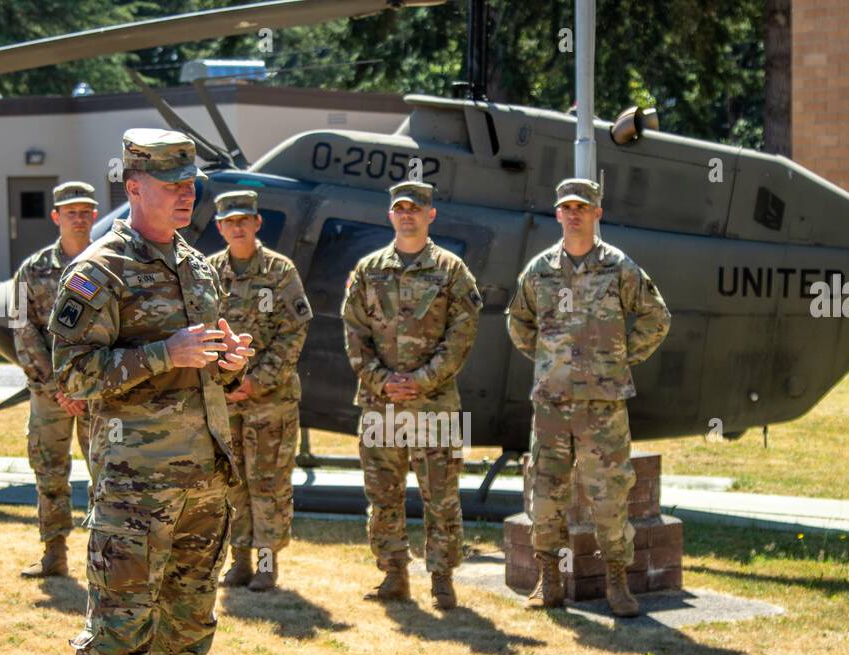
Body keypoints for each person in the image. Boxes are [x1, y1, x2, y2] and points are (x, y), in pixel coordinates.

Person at [48, 128, 255, 655]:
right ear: (133, 188)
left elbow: (203, 365)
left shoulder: (198, 266)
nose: (185, 195)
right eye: (171, 186)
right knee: (118, 622)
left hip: (205, 476)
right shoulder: (99, 272)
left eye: (190, 185)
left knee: (190, 618)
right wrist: (166, 351)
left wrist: (227, 361)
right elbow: (75, 374)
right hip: (137, 482)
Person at [507, 177, 671, 617]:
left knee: (610, 496)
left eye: (583, 207)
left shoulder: (619, 268)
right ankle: (549, 579)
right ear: (557, 214)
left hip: (603, 405)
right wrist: (548, 360)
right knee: (545, 493)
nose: (574, 213)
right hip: (552, 403)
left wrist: (617, 360)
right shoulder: (539, 270)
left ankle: (617, 581)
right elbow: (518, 323)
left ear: (598, 213)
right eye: (567, 207)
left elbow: (657, 318)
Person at [341, 181, 481, 610]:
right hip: (378, 403)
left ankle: (442, 578)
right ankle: (394, 574)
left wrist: (421, 380)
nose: (407, 215)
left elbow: (462, 336)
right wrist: (381, 380)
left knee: (441, 496)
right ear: (390, 215)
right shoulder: (367, 270)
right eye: (400, 209)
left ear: (430, 215)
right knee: (382, 494)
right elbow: (354, 332)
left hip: (437, 404)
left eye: (415, 209)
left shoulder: (452, 270)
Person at [209, 190, 312, 592]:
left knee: (268, 484)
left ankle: (267, 565)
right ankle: (240, 562)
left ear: (257, 223)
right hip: (226, 401)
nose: (237, 227)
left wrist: (257, 380)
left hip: (272, 402)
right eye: (229, 221)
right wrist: (226, 382)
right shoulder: (211, 273)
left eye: (243, 220)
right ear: (220, 228)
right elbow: (201, 333)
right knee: (233, 483)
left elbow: (294, 330)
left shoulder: (279, 271)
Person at [12, 181, 98, 577]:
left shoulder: (110, 263)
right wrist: (58, 388)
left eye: (85, 212)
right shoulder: (35, 269)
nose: (78, 219)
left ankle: (106, 556)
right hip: (51, 394)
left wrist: (89, 385)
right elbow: (24, 329)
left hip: (101, 391)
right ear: (56, 217)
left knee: (109, 474)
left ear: (94, 216)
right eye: (70, 212)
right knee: (49, 470)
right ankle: (54, 553)